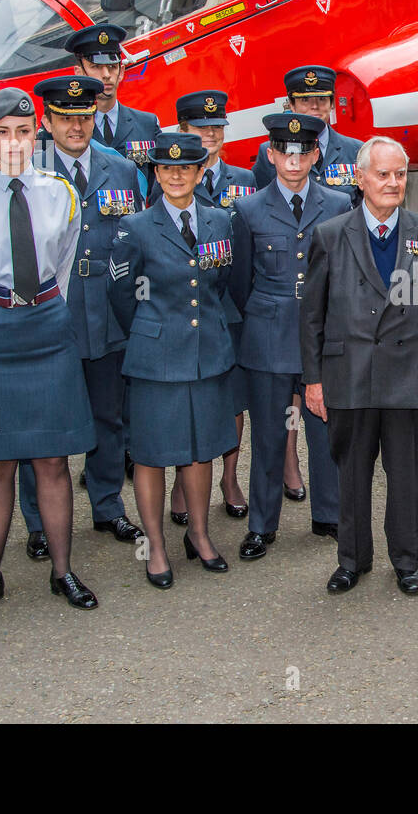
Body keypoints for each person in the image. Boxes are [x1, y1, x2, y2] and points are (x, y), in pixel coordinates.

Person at [0, 87, 98, 621]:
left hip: (46, 324)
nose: (13, 142)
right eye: (2, 132)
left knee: (53, 461)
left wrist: (38, 306)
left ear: (38, 135)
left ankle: (63, 572)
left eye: (23, 131)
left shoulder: (61, 192)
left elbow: (64, 261)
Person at [300, 136, 418, 595]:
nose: (393, 183)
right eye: (383, 174)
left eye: (400, 174)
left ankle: (407, 560)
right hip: (348, 376)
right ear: (361, 178)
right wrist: (313, 380)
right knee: (351, 472)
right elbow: (311, 315)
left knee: (406, 473)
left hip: (410, 375)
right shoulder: (330, 236)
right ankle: (352, 559)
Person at [12, 76, 144, 562]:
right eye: (64, 117)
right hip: (52, 311)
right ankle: (37, 520)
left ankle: (107, 505)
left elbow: (132, 238)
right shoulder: (28, 171)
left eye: (84, 116)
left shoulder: (122, 169)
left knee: (107, 416)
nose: (75, 126)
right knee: (42, 422)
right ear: (45, 121)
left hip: (107, 311)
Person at [107, 132, 240, 588]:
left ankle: (200, 535)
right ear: (156, 173)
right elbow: (122, 294)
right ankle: (157, 545)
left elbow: (222, 284)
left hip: (206, 356)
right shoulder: (136, 227)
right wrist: (154, 330)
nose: (177, 175)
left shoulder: (222, 221)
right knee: (151, 454)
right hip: (154, 358)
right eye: (167, 168)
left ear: (202, 171)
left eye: (186, 167)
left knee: (201, 450)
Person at [232, 112, 346, 561]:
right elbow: (240, 282)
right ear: (272, 154)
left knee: (324, 429)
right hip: (268, 336)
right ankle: (262, 525)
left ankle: (330, 516)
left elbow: (342, 273)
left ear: (316, 154)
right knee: (269, 436)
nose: (294, 161)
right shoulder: (248, 209)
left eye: (303, 152)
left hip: (320, 335)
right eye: (285, 152)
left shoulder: (338, 204)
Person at [162, 89, 255, 522]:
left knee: (233, 398)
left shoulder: (245, 179)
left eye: (217, 127)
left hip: (230, 307)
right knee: (188, 399)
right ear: (183, 130)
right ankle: (184, 482)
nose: (211, 134)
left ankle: (230, 476)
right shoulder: (171, 175)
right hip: (183, 307)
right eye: (202, 127)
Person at [251, 65, 363, 204]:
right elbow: (260, 205)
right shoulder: (272, 152)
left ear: (332, 103)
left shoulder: (356, 151)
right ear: (291, 105)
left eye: (321, 99)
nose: (314, 106)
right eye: (305, 100)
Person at [65, 23, 161, 173]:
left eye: (112, 67)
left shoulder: (148, 124)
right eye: (96, 67)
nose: (106, 75)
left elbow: (161, 182)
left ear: (121, 71)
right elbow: (41, 176)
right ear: (79, 72)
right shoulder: (57, 128)